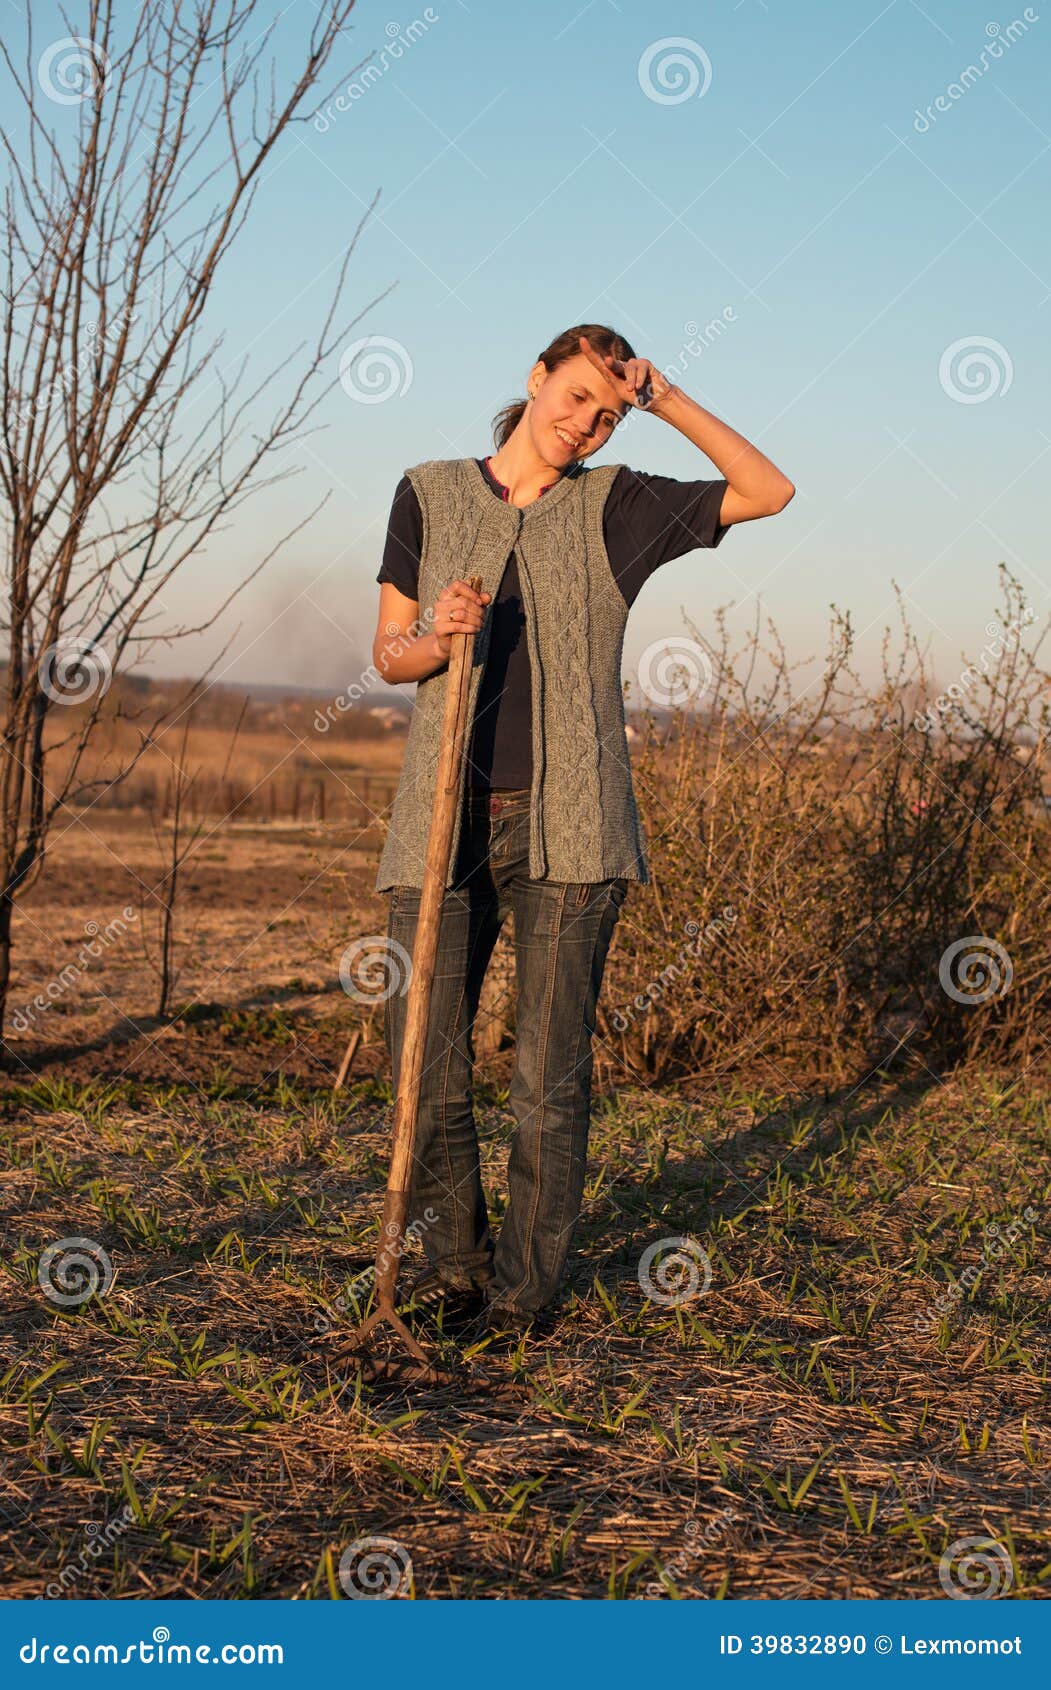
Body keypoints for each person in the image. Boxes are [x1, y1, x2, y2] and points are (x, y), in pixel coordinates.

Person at [371, 323, 794, 1341]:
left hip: (574, 833)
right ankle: (449, 1269)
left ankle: (522, 1294)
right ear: (534, 380)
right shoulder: (427, 490)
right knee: (422, 1061)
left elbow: (768, 489)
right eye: (573, 400)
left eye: (606, 413)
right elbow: (388, 655)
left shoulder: (621, 506)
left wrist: (667, 398)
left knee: (546, 1083)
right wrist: (441, 637)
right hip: (442, 822)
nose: (585, 426)